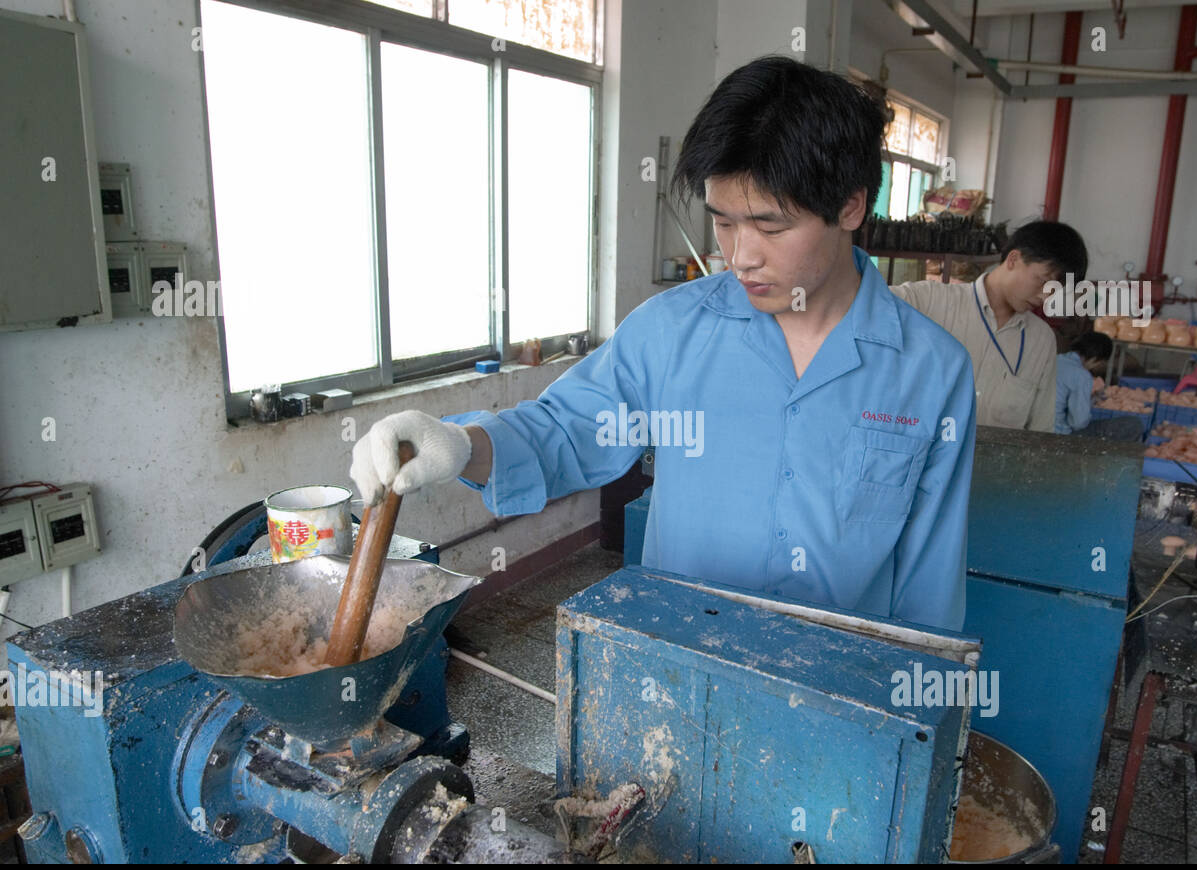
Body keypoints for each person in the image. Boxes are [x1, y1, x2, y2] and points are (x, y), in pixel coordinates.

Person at [349, 56, 976, 631]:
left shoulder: (932, 373)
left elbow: (928, 583)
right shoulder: (671, 332)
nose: (740, 256)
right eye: (723, 221)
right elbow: (564, 431)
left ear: (850, 207)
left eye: (770, 225)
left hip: (833, 698)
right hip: (674, 675)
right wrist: (461, 445)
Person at [890, 220, 1089, 433]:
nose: (1046, 296)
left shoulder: (1040, 340)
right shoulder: (929, 301)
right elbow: (863, 301)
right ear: (1013, 259)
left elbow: (1040, 429)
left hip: (992, 465)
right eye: (1043, 282)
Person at [1057, 332, 1145, 441]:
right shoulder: (1081, 375)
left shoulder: (1056, 359)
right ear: (1095, 358)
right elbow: (1078, 423)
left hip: (1037, 426)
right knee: (1134, 424)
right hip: (1059, 435)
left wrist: (1091, 399)